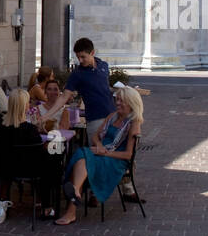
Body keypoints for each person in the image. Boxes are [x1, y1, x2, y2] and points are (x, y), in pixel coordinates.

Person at [55, 85, 143, 226]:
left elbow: (128, 155)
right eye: (117, 99)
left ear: (131, 102)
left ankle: (72, 204)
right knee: (83, 155)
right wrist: (100, 146)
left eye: (121, 100)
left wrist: (106, 152)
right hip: (100, 153)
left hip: (115, 160)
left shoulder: (133, 123)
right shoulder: (112, 116)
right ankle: (75, 194)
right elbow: (96, 136)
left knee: (83, 155)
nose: (117, 103)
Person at [0, 88, 59, 220]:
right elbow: (38, 151)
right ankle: (47, 206)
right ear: (25, 105)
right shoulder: (29, 130)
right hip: (29, 169)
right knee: (53, 160)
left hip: (5, 166)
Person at [54, 38, 115, 140]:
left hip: (112, 116)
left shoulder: (103, 65)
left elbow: (104, 87)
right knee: (96, 152)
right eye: (78, 57)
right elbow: (64, 96)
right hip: (95, 119)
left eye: (83, 57)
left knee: (113, 149)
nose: (80, 60)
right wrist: (46, 116)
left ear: (92, 53)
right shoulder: (77, 74)